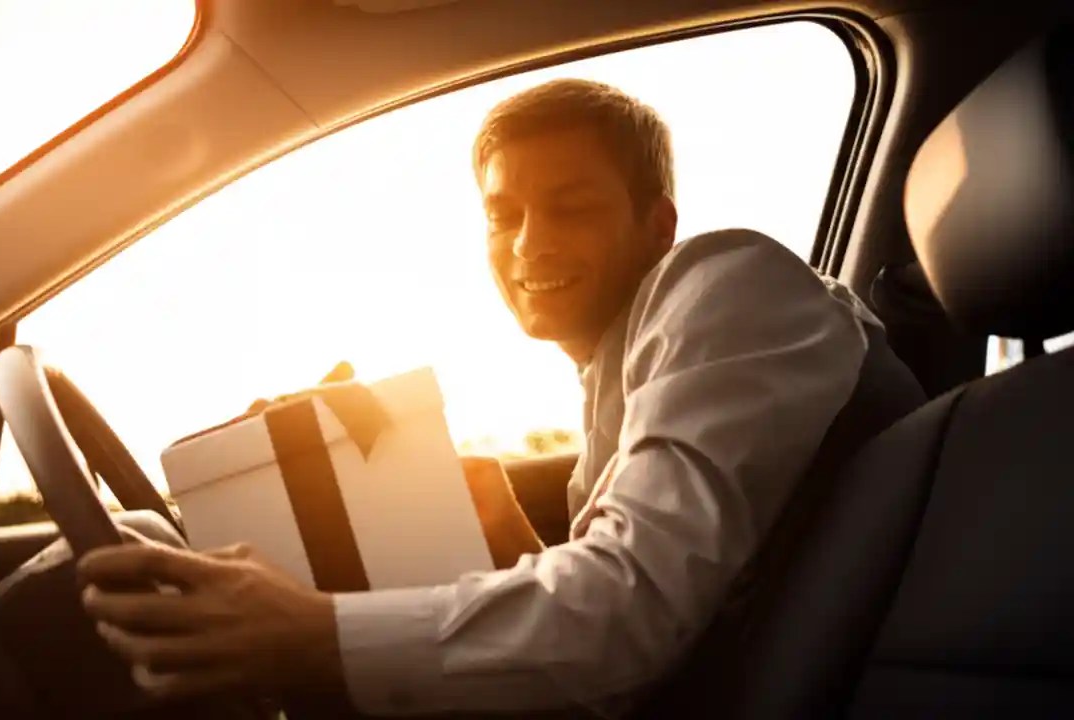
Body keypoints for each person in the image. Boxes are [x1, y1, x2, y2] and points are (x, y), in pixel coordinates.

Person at [76, 78, 892, 716]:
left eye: (571, 208)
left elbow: (629, 614)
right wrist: (505, 532)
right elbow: (649, 626)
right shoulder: (623, 373)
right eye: (504, 216)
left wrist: (311, 634)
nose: (529, 243)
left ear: (656, 224)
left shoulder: (727, 287)